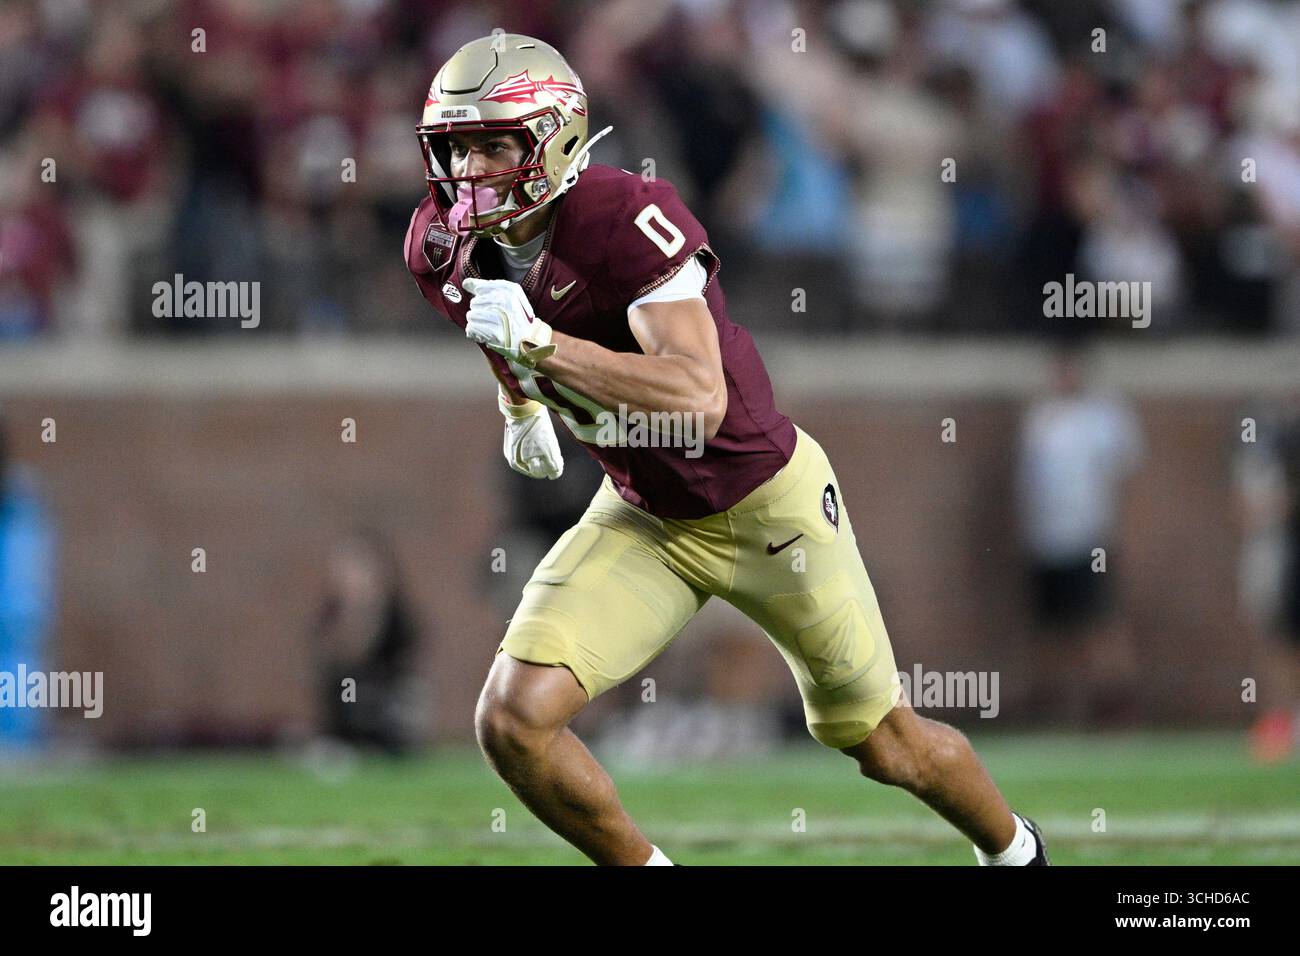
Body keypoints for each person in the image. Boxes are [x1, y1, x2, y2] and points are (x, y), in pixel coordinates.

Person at [404, 34, 1047, 866]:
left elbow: (697, 397)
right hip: (645, 518)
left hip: (764, 503)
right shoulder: (440, 244)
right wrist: (518, 402)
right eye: (457, 146)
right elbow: (495, 318)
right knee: (513, 720)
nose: (472, 168)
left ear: (555, 139)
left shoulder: (622, 218)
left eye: (495, 143)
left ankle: (1015, 851)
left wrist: (543, 354)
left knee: (885, 743)